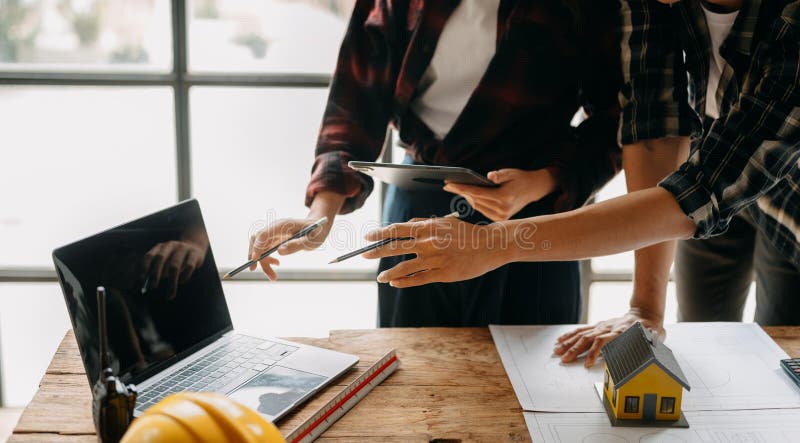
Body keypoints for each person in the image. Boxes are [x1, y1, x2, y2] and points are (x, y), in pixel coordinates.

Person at [365, 0, 800, 334]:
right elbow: (654, 129)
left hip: (789, 200)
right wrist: (645, 310)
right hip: (712, 161)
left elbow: (696, 194)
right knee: (701, 341)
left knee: (783, 358)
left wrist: (493, 243)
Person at [248, 0, 623, 327]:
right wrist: (319, 213)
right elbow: (356, 97)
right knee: (413, 384)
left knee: (528, 392)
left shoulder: (585, 5)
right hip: (417, 209)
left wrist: (546, 181)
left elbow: (616, 119)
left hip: (534, 221)